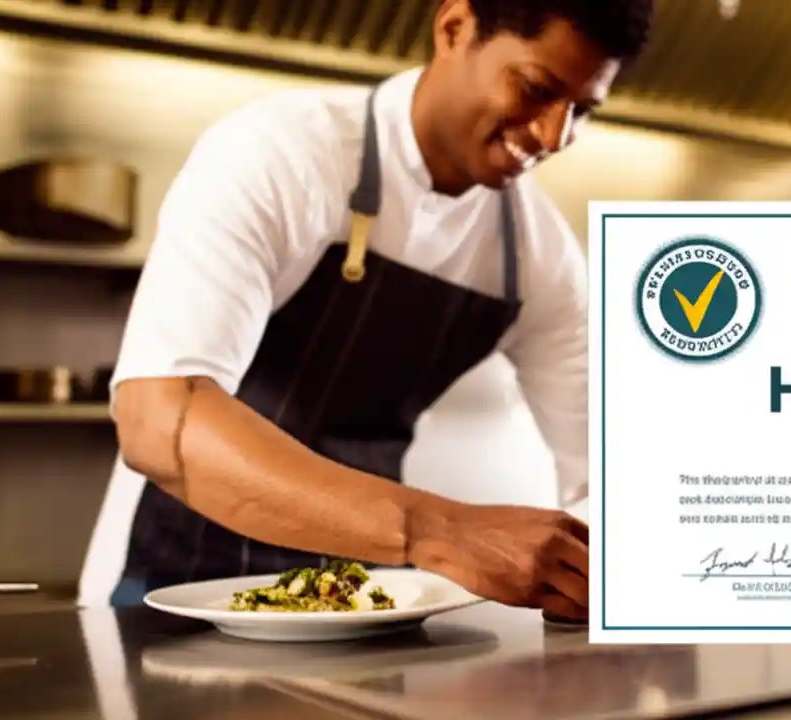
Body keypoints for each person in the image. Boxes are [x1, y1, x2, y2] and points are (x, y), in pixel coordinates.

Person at [76, 0, 653, 623]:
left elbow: (610, 470)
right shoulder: (281, 153)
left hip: (362, 607)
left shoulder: (538, 253)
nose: (553, 136)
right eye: (537, 89)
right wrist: (449, 533)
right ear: (454, 28)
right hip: (169, 587)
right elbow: (158, 420)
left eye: (582, 111)